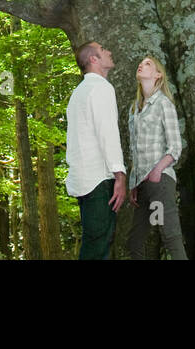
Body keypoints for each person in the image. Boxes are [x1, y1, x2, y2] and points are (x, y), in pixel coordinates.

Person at [65, 40, 127, 259]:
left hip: (85, 180)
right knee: (97, 246)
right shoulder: (100, 88)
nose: (109, 51)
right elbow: (107, 134)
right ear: (93, 59)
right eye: (103, 50)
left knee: (95, 242)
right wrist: (119, 175)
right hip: (98, 179)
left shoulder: (79, 92)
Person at [126, 55, 187, 259]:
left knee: (169, 235)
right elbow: (133, 149)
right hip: (142, 186)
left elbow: (175, 146)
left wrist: (157, 171)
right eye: (141, 63)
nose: (141, 65)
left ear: (158, 75)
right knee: (135, 241)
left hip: (159, 183)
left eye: (148, 64)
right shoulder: (134, 108)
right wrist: (133, 184)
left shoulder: (163, 104)